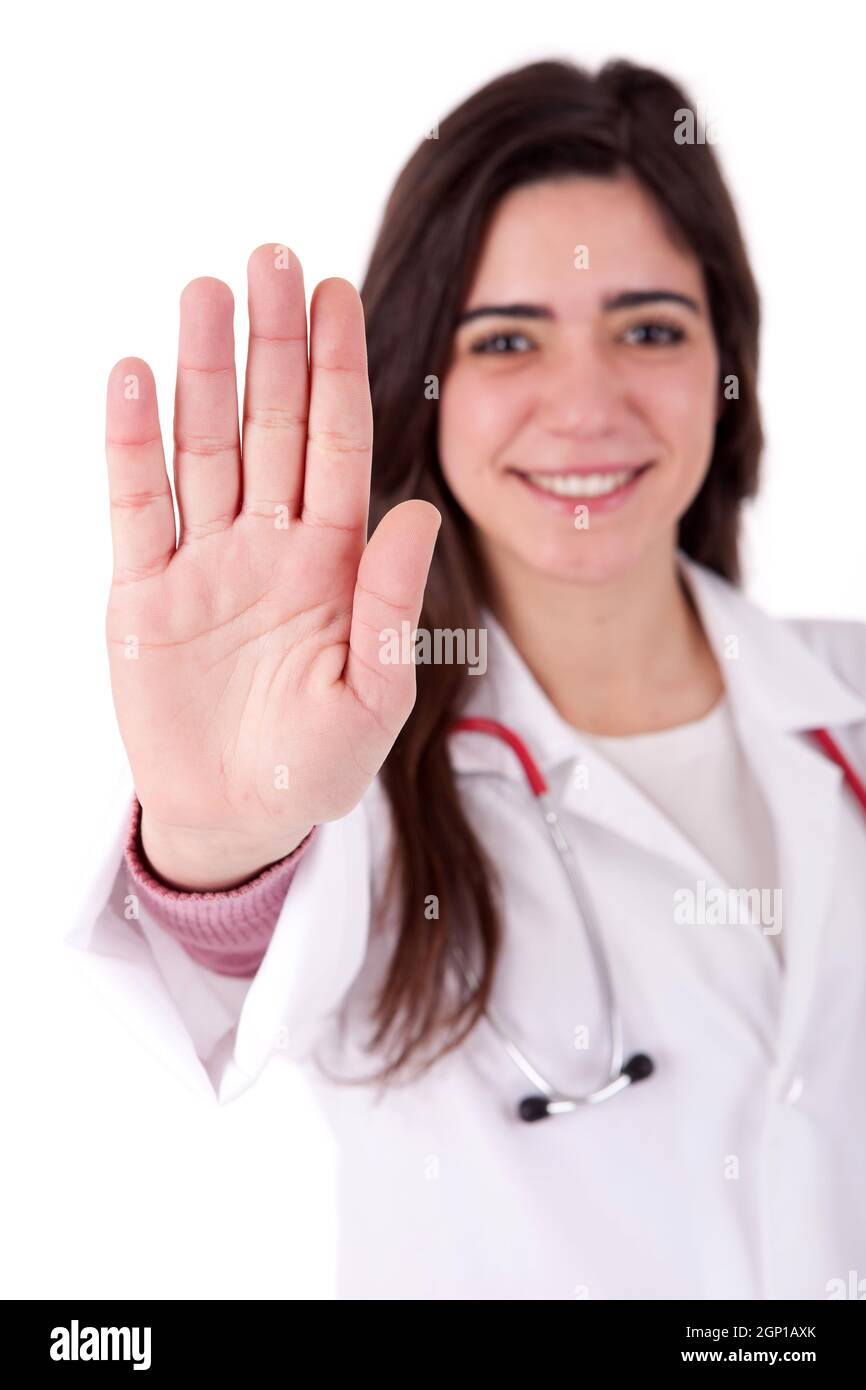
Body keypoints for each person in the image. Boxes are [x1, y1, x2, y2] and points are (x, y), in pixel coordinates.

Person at [70, 57, 866, 1300]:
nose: (584, 403)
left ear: (727, 359)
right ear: (418, 385)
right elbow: (210, 994)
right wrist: (218, 832)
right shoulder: (358, 760)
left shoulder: (846, 694)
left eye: (648, 328)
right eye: (504, 340)